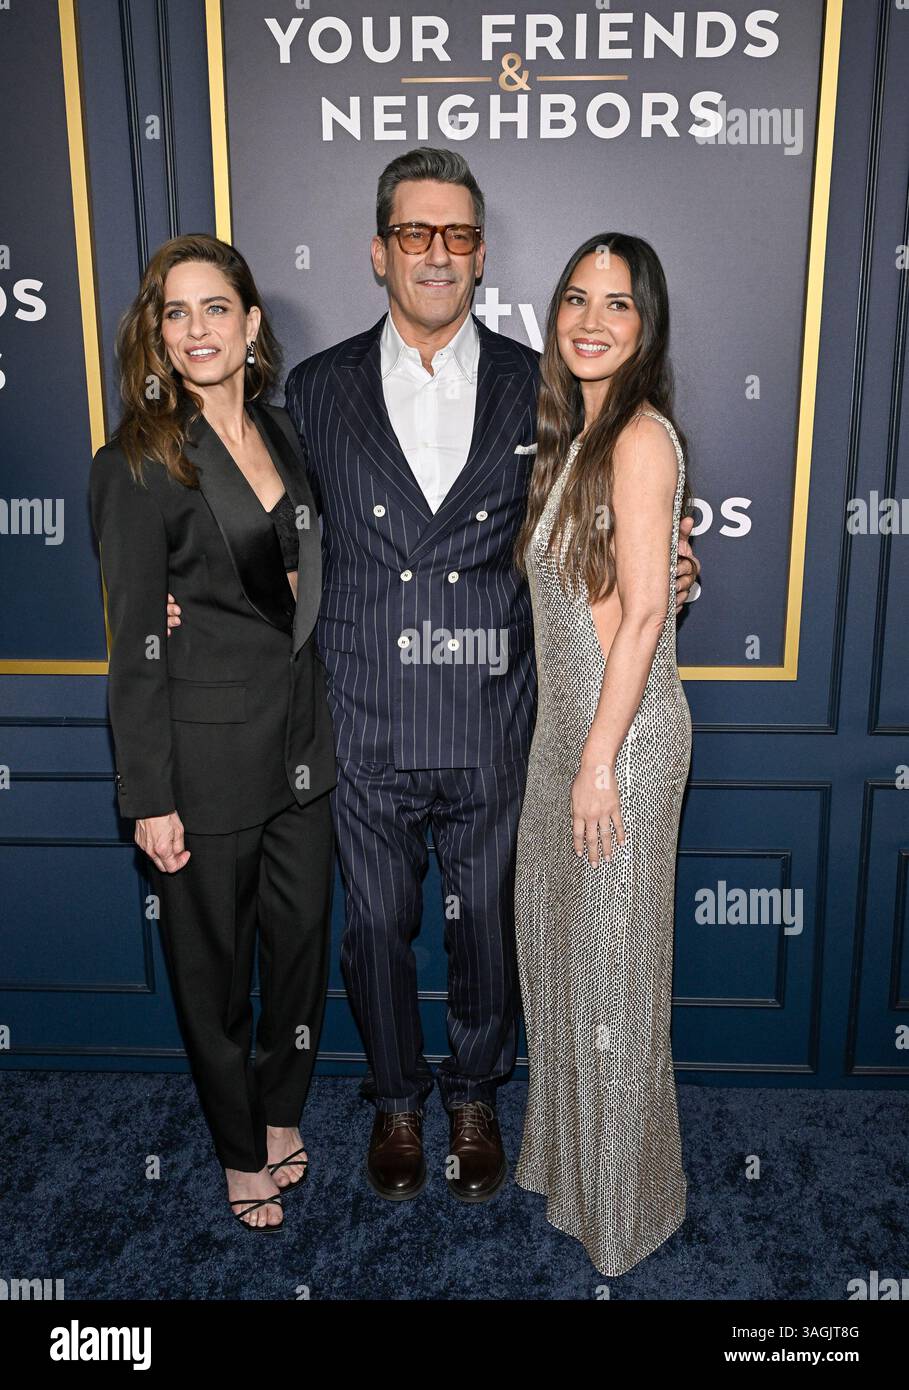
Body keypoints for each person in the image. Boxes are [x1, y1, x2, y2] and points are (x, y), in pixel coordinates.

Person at [168, 149, 700, 1204]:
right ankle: (399, 1102)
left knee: (488, 931)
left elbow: (601, 515)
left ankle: (472, 1093)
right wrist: (186, 590)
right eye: (415, 233)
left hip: (499, 719)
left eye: (457, 235)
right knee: (370, 931)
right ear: (379, 251)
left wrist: (672, 566)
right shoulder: (313, 395)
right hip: (360, 720)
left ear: (481, 253)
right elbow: (263, 521)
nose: (437, 254)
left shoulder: (537, 385)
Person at [89, 234, 336, 1231]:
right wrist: (148, 794)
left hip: (306, 745)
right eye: (175, 312)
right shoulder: (138, 464)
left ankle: (281, 1109)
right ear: (155, 334)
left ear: (252, 324)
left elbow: (302, 580)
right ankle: (241, 1149)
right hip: (204, 760)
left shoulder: (287, 434)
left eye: (216, 308)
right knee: (212, 967)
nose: (197, 330)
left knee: (303, 948)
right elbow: (135, 641)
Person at [512, 233, 692, 1275]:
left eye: (617, 304)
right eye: (577, 297)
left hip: (616, 745)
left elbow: (636, 627)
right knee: (563, 964)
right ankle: (572, 1168)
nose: (591, 318)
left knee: (616, 983)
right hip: (564, 738)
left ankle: (625, 1212)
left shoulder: (640, 438)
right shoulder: (574, 436)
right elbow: (625, 581)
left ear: (646, 324)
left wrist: (594, 763)